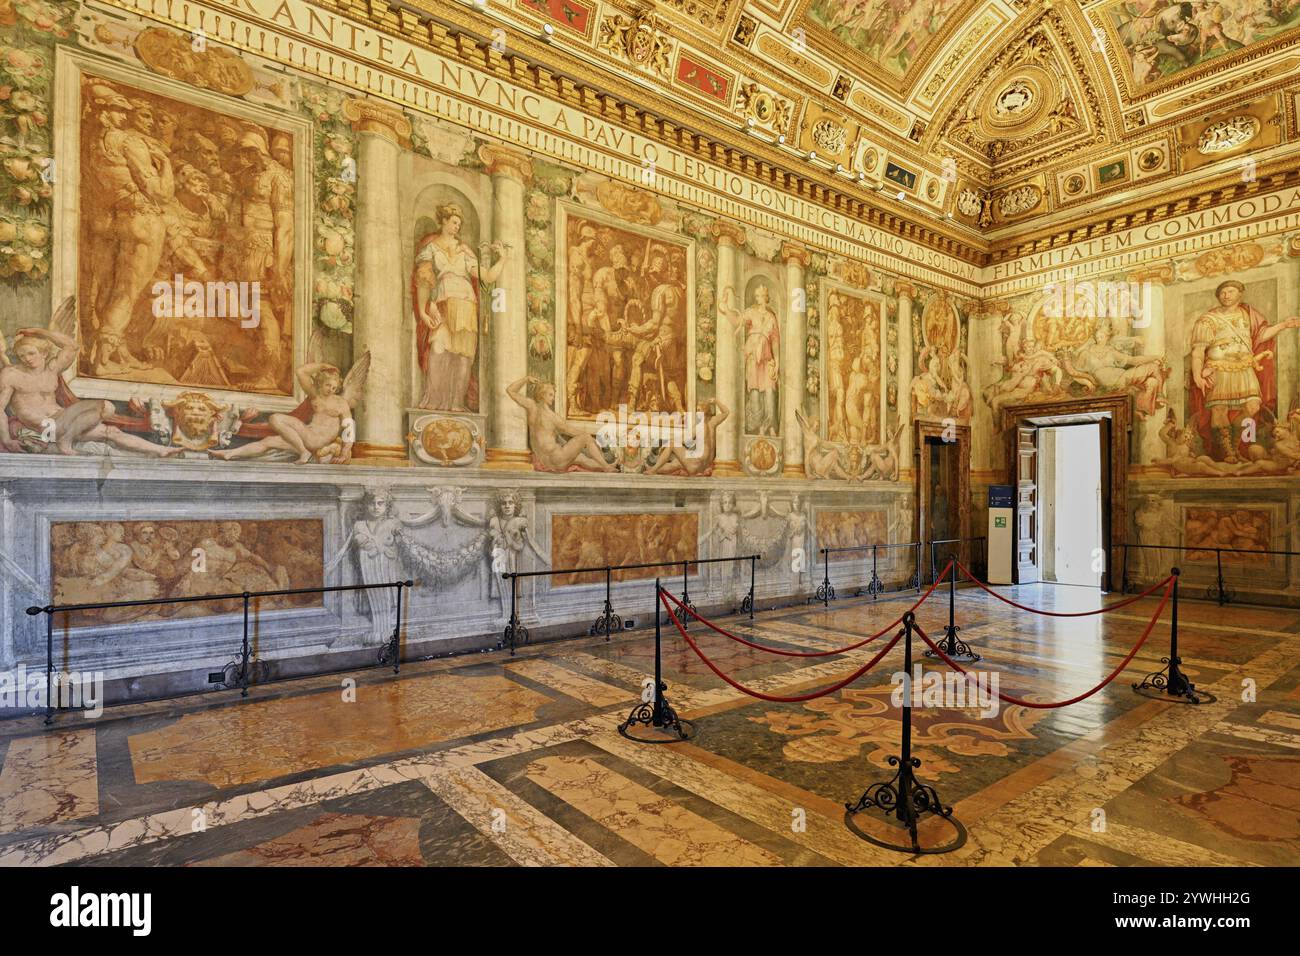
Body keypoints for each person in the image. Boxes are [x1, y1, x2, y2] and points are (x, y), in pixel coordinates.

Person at [413, 203, 506, 411]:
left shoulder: (465, 251)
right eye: (454, 222)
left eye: (459, 224)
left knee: (464, 355)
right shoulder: (431, 248)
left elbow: (488, 277)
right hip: (443, 303)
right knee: (438, 348)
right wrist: (422, 311)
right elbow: (424, 281)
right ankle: (434, 401)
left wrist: (503, 258)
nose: (457, 227)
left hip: (466, 305)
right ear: (444, 221)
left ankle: (457, 403)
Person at [506, 375, 616, 472]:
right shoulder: (552, 417)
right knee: (586, 437)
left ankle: (607, 467)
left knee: (581, 458)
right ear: (542, 394)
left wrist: (526, 379)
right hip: (556, 459)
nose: (553, 399)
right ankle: (606, 466)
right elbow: (572, 431)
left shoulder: (530, 406)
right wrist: (592, 439)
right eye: (550, 395)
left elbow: (510, 390)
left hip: (544, 460)